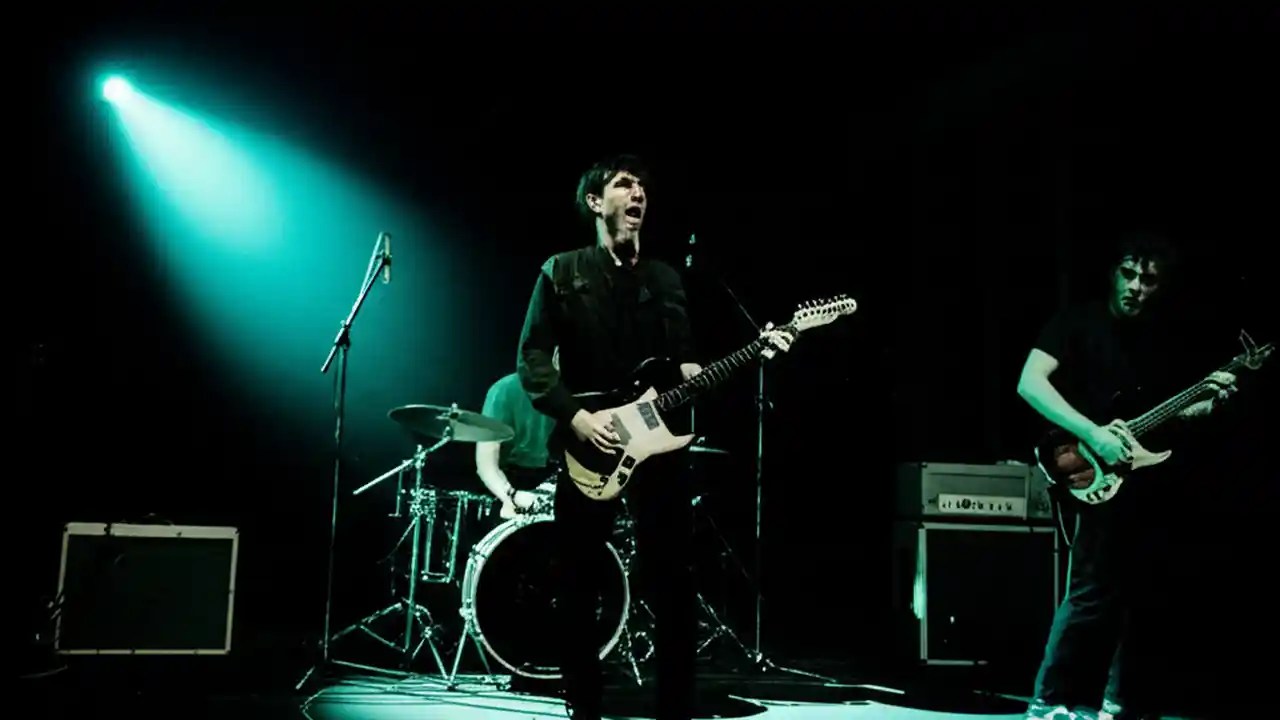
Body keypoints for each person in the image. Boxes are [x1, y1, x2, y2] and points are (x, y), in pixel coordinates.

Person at [516, 154, 788, 720]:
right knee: (580, 582)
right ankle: (583, 705)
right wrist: (575, 416)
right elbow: (533, 358)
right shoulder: (561, 271)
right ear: (597, 202)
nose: (637, 194)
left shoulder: (665, 279)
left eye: (642, 187)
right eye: (623, 185)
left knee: (673, 582)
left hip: (658, 448)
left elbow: (686, 368)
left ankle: (674, 707)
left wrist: (753, 352)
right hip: (587, 444)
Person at [1016, 232, 1236, 720]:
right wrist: (1092, 434)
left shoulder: (1161, 340)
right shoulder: (1076, 321)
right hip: (1084, 464)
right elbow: (1029, 383)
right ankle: (1049, 702)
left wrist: (1207, 403)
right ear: (1113, 272)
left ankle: (1119, 701)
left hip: (1140, 474)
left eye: (1149, 280)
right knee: (1091, 590)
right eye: (1129, 274)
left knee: (1144, 590)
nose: (1137, 287)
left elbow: (1168, 416)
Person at [475, 352, 559, 519]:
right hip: (512, 482)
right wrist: (510, 496)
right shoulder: (503, 391)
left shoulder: (574, 393)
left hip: (558, 480)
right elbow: (486, 464)